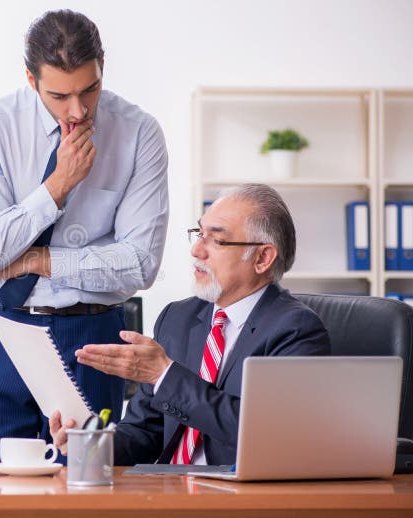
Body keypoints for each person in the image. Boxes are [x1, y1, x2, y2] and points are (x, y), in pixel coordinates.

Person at [0, 9, 169, 465]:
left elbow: (140, 265)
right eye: (59, 95)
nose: (77, 110)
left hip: (92, 334)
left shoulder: (139, 134)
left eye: (89, 89)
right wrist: (57, 187)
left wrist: (40, 261)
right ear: (31, 80)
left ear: (103, 66)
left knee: (86, 489)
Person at [49, 183, 331, 466]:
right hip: (168, 491)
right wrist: (90, 445)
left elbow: (269, 433)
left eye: (216, 241)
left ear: (262, 258)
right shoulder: (178, 318)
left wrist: (165, 375)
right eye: (199, 234)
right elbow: (144, 433)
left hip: (236, 499)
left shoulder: (296, 330)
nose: (197, 250)